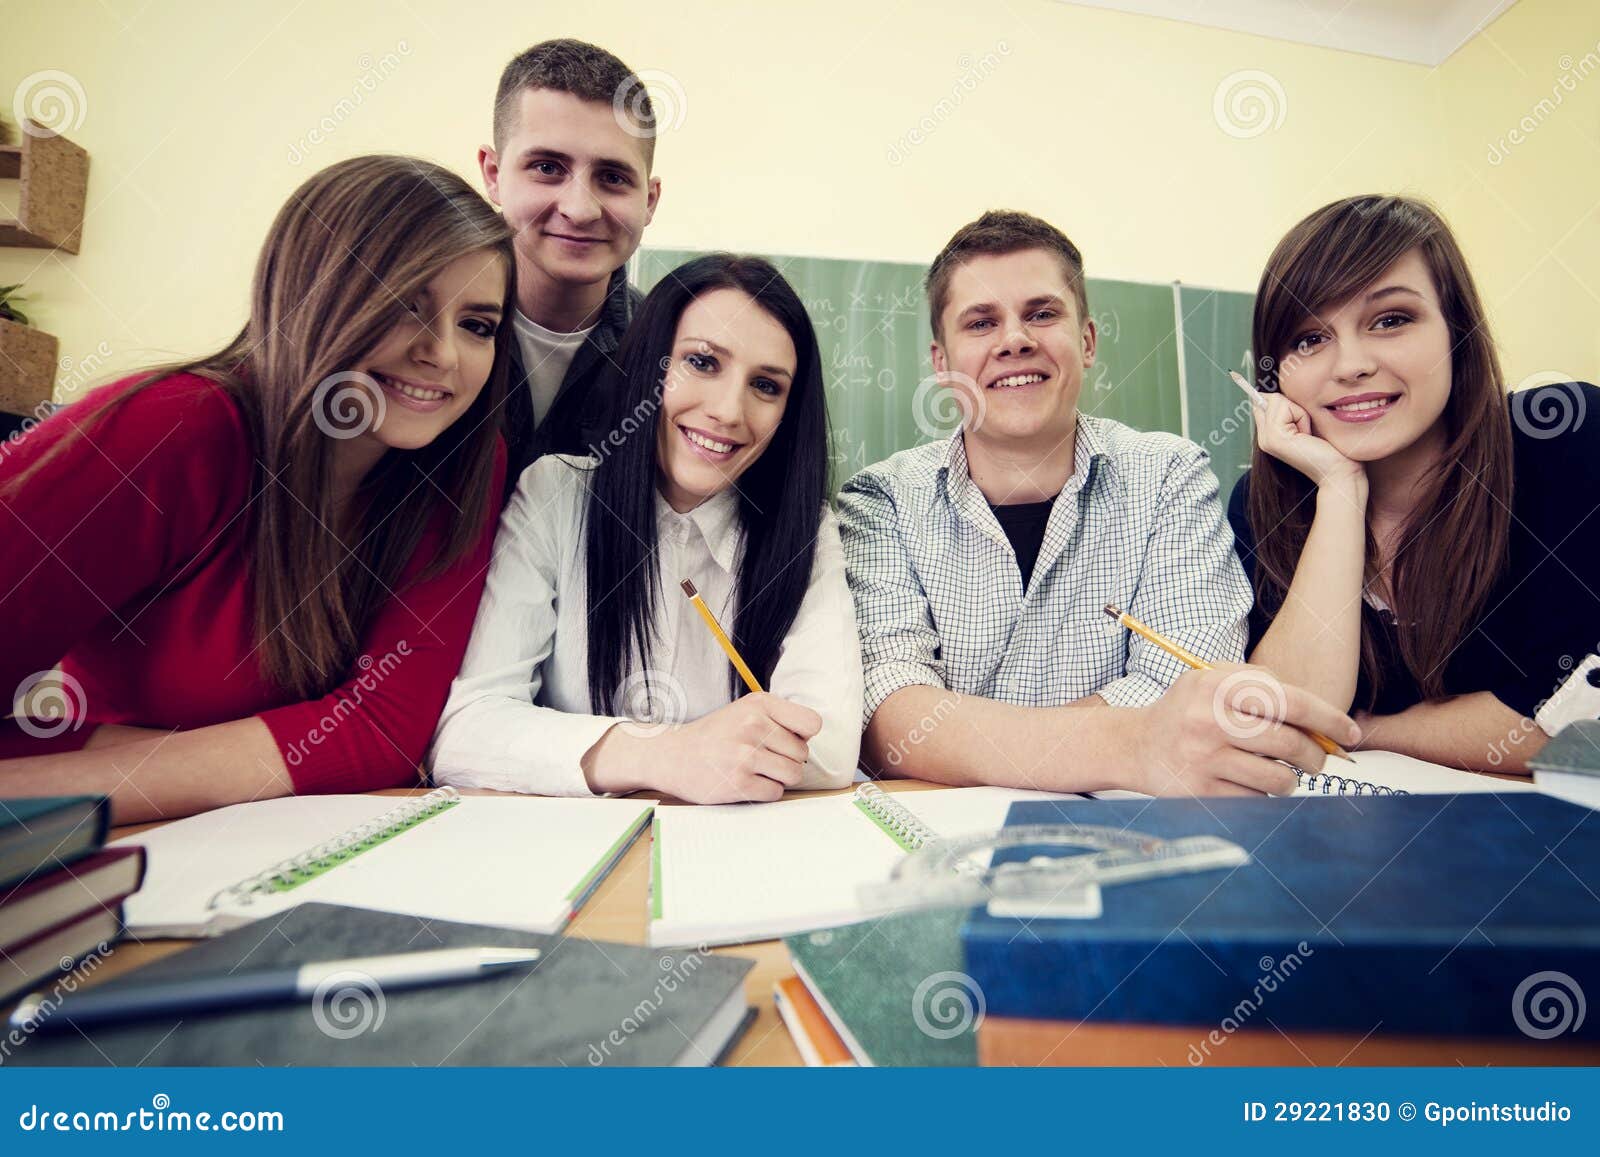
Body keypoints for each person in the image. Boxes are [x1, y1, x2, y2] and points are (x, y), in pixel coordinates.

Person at [0, 155, 512, 822]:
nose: (443, 354)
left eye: (478, 324)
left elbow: (382, 728)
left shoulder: (467, 463)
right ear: (313, 295)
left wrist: (133, 764)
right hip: (116, 851)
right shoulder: (169, 429)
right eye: (401, 306)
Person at [838, 210, 1357, 796]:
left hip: (1134, 831)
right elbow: (887, 715)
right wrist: (1134, 743)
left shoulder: (1169, 475)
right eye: (981, 323)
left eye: (1042, 314)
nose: (1015, 340)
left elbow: (1187, 680)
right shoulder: (879, 501)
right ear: (942, 364)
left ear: (1086, 342)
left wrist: (964, 739)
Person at [430, 254, 863, 801]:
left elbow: (829, 748)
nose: (729, 410)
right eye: (702, 362)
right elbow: (466, 733)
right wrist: (666, 757)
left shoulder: (807, 532)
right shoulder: (555, 496)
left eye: (767, 386)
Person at [1229, 194, 1600, 772]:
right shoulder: (1261, 506)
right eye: (1309, 339)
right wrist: (1339, 491)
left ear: (1457, 330)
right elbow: (1287, 721)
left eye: (1391, 320)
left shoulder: (1563, 435)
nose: (1349, 364)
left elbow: (1572, 725)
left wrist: (1364, 731)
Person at [479, 39, 661, 491]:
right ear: (494, 175)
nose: (580, 210)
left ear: (650, 200)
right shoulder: (417, 333)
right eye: (547, 167)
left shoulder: (670, 359)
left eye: (613, 178)